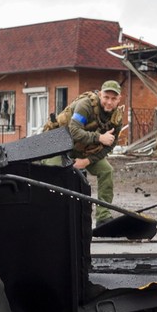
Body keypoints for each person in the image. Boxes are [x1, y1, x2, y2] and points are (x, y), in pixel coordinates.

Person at [61, 80, 125, 225]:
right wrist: (99, 137)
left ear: (119, 99)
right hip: (60, 147)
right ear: (100, 95)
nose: (109, 102)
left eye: (113, 99)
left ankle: (103, 216)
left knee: (107, 170)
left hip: (84, 152)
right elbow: (74, 131)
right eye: (106, 97)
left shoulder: (117, 118)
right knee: (53, 173)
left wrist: (86, 161)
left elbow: (110, 146)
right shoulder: (85, 105)